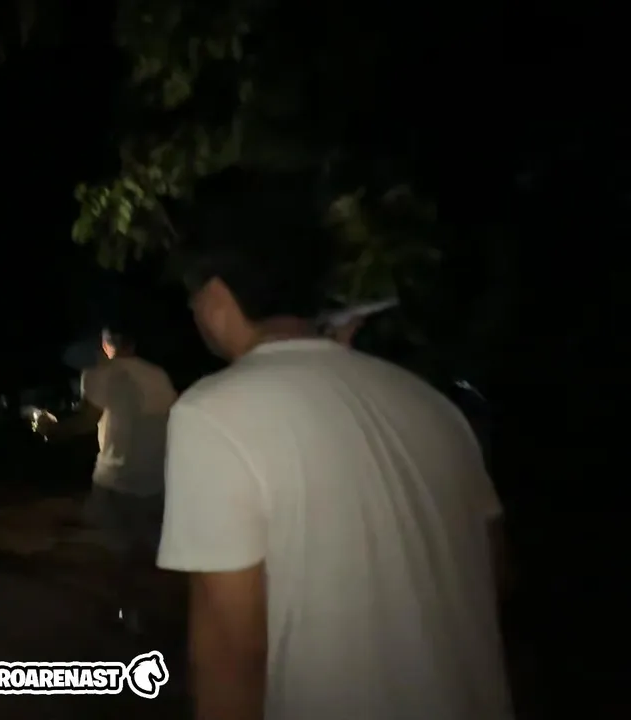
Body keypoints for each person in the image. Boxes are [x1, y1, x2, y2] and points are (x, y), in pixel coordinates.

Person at [157, 172, 512, 720]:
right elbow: (492, 575)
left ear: (216, 297)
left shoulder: (213, 413)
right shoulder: (432, 405)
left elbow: (231, 654)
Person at [47, 327, 178, 633]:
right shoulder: (158, 374)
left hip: (115, 479)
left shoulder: (98, 373)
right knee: (151, 548)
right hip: (157, 477)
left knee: (116, 551)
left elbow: (85, 420)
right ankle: (155, 611)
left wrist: (49, 430)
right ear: (133, 342)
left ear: (106, 345)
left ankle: (126, 613)